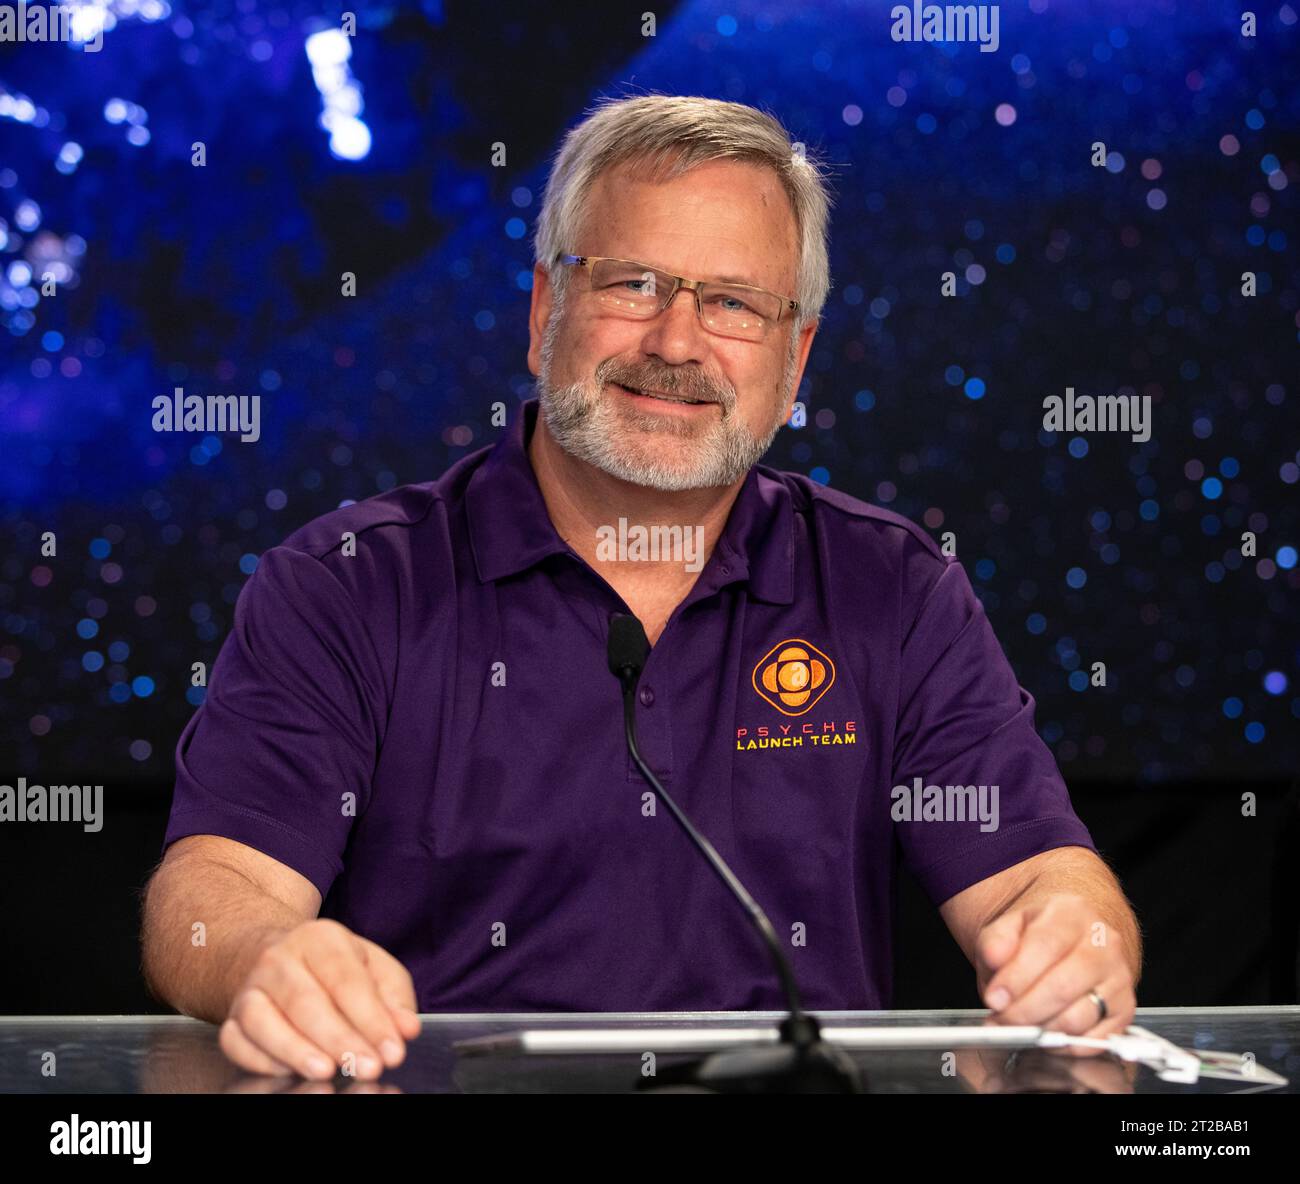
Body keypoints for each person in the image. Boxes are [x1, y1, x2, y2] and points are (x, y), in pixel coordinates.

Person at [141, 94, 1141, 1081]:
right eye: (632, 284)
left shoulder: (895, 591)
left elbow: (1033, 879)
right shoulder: (346, 586)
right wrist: (265, 959)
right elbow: (218, 888)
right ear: (545, 311)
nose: (674, 343)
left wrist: (1078, 936)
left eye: (733, 303)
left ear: (794, 361)